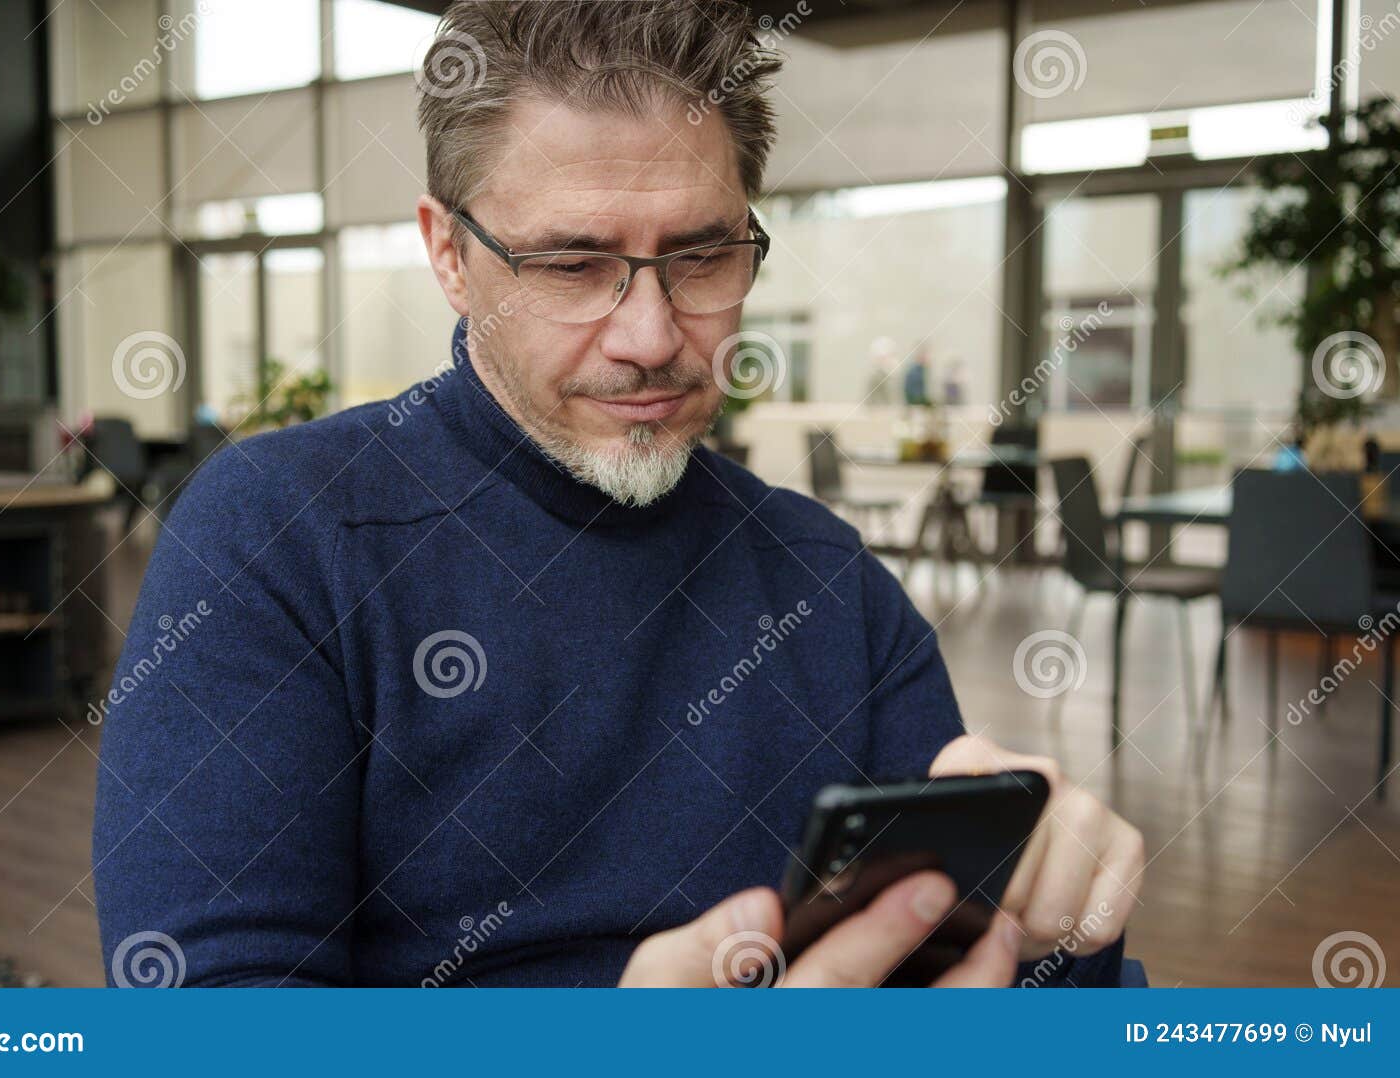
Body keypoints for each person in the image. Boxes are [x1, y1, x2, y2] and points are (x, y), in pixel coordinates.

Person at [93, 0, 1144, 988]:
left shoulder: (825, 580)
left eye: (700, 256)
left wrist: (1062, 917)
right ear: (448, 255)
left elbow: (965, 965)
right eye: (571, 264)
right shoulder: (281, 536)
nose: (650, 338)